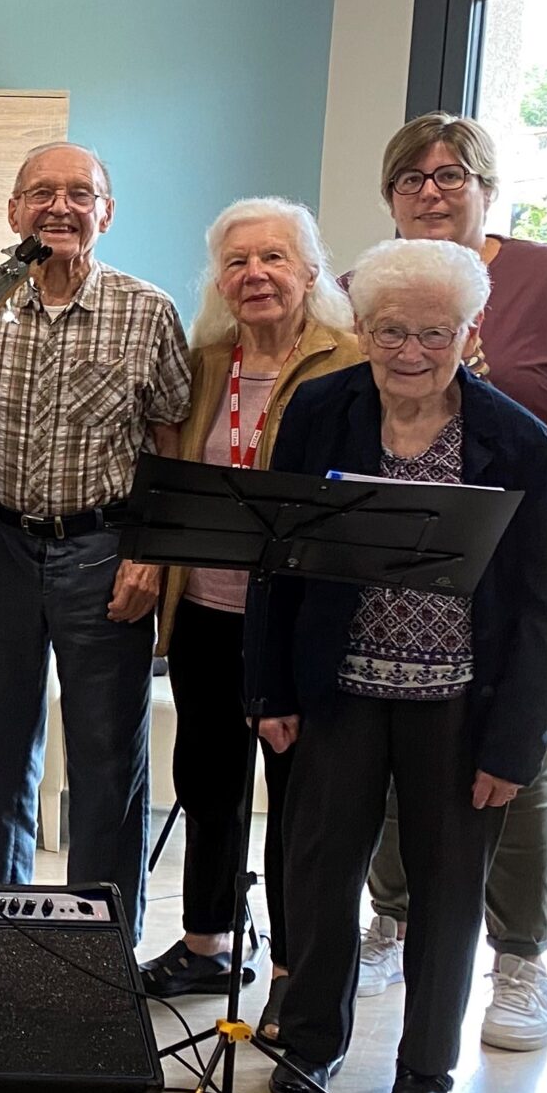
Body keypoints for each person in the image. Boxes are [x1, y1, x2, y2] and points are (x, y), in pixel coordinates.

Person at [250, 238, 547, 1093]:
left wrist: (516, 745)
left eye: (434, 334)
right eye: (391, 331)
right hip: (339, 690)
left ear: (468, 333)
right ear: (360, 328)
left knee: (445, 889)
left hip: (460, 706)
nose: (410, 352)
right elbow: (274, 563)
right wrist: (269, 690)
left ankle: (425, 1067)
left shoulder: (514, 437)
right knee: (320, 874)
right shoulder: (321, 409)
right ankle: (313, 1039)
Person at [357, 114, 547, 1053]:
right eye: (412, 176)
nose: (433, 189)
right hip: (406, 563)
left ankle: (520, 957)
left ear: (487, 185)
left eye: (453, 173)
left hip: (538, 559)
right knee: (398, 747)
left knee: (512, 760)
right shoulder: (366, 282)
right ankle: (393, 919)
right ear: (390, 196)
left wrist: (526, 461)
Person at [0, 143, 190, 947]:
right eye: (43, 192)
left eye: (82, 193)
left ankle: (100, 950)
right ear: (13, 210)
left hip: (107, 551)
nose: (61, 207)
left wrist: (152, 555)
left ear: (106, 212)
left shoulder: (148, 311)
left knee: (109, 764)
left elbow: (172, 442)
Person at [142, 199, 359, 1031]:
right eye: (237, 262)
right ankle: (207, 942)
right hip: (205, 610)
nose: (255, 275)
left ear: (309, 271)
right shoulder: (204, 362)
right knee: (207, 783)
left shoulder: (351, 361)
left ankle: (294, 973)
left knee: (297, 800)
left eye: (273, 258)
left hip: (298, 625)